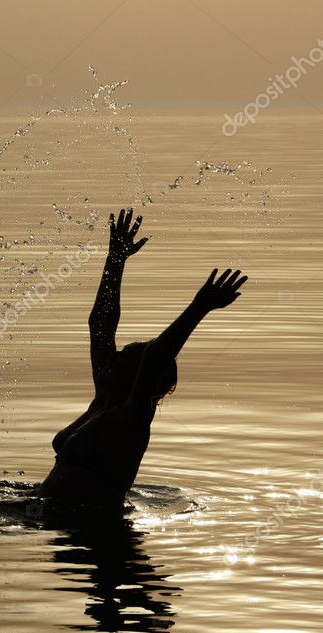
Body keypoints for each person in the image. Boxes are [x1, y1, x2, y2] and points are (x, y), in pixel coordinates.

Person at [37, 208, 248, 507]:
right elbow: (100, 326)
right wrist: (116, 259)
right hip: (58, 533)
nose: (114, 356)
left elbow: (155, 357)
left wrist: (199, 308)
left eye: (124, 356)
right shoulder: (104, 399)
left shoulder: (133, 418)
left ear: (139, 376)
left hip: (99, 542)